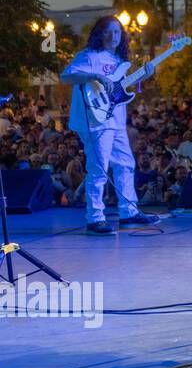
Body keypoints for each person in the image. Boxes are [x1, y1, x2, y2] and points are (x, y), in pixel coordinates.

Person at [59, 16, 160, 234]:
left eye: (118, 32)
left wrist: (145, 75)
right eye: (109, 31)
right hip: (96, 121)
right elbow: (66, 76)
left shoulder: (118, 60)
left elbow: (120, 88)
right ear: (99, 33)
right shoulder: (88, 56)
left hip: (116, 121)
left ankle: (129, 212)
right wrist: (93, 75)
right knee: (98, 169)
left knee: (125, 164)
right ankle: (94, 218)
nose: (114, 36)